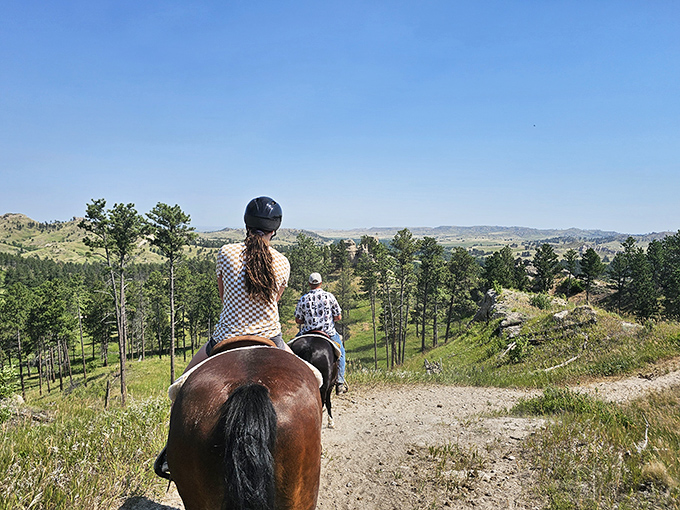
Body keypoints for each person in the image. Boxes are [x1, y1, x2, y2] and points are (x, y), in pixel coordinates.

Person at [155, 196, 291, 479]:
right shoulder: (282, 261)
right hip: (271, 337)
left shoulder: (226, 252)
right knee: (312, 380)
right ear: (274, 229)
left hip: (225, 337)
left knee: (179, 389)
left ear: (246, 223)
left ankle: (171, 452)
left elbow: (222, 294)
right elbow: (276, 300)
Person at [294, 272, 347, 394]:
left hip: (307, 332)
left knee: (290, 350)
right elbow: (338, 317)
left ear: (309, 284)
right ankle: (340, 382)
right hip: (328, 332)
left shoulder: (303, 298)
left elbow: (298, 320)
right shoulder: (329, 297)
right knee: (342, 353)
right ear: (321, 283)